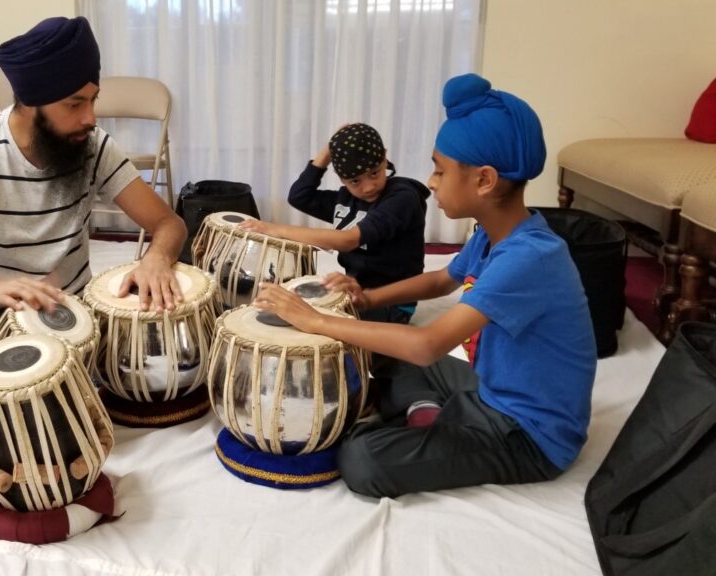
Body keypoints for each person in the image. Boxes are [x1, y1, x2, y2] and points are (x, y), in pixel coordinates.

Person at [252, 73, 597, 499]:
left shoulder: (529, 257)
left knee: (361, 458)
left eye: (439, 170)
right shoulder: (494, 234)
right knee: (392, 359)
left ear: (484, 180)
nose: (431, 182)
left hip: (529, 433)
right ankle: (426, 415)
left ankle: (428, 426)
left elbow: (428, 345)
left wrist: (315, 321)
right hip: (491, 387)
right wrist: (366, 297)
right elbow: (439, 280)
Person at [0, 17, 186, 358]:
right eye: (74, 104)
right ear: (32, 102)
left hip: (72, 312)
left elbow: (168, 223)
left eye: (93, 100)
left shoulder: (94, 145)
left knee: (159, 361)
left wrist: (155, 259)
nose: (90, 118)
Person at [240, 123, 430, 324]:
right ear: (342, 179)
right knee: (281, 309)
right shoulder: (346, 199)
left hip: (392, 304)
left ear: (384, 158)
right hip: (354, 291)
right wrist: (327, 152)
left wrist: (274, 228)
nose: (368, 187)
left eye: (374, 173)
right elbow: (299, 196)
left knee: (301, 319)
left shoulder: (402, 197)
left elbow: (348, 240)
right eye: (355, 181)